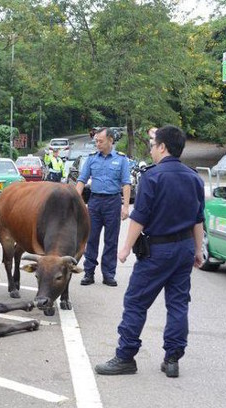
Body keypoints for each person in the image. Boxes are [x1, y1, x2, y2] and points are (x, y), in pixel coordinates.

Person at [94, 125, 205, 378]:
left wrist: (124, 249)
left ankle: (125, 357)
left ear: (163, 147)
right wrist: (198, 251)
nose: (152, 150)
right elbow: (198, 219)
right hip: (184, 248)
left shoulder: (152, 177)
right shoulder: (194, 178)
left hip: (158, 250)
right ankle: (173, 359)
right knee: (178, 304)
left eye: (154, 145)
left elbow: (139, 217)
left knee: (135, 302)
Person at [76, 127, 131, 286]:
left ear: (110, 140)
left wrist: (126, 207)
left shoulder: (121, 160)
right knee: (91, 239)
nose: (97, 144)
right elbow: (81, 180)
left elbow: (126, 184)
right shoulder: (92, 159)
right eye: (96, 141)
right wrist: (75, 200)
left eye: (100, 141)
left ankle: (108, 274)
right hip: (94, 202)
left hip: (113, 202)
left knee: (111, 240)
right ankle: (89, 273)